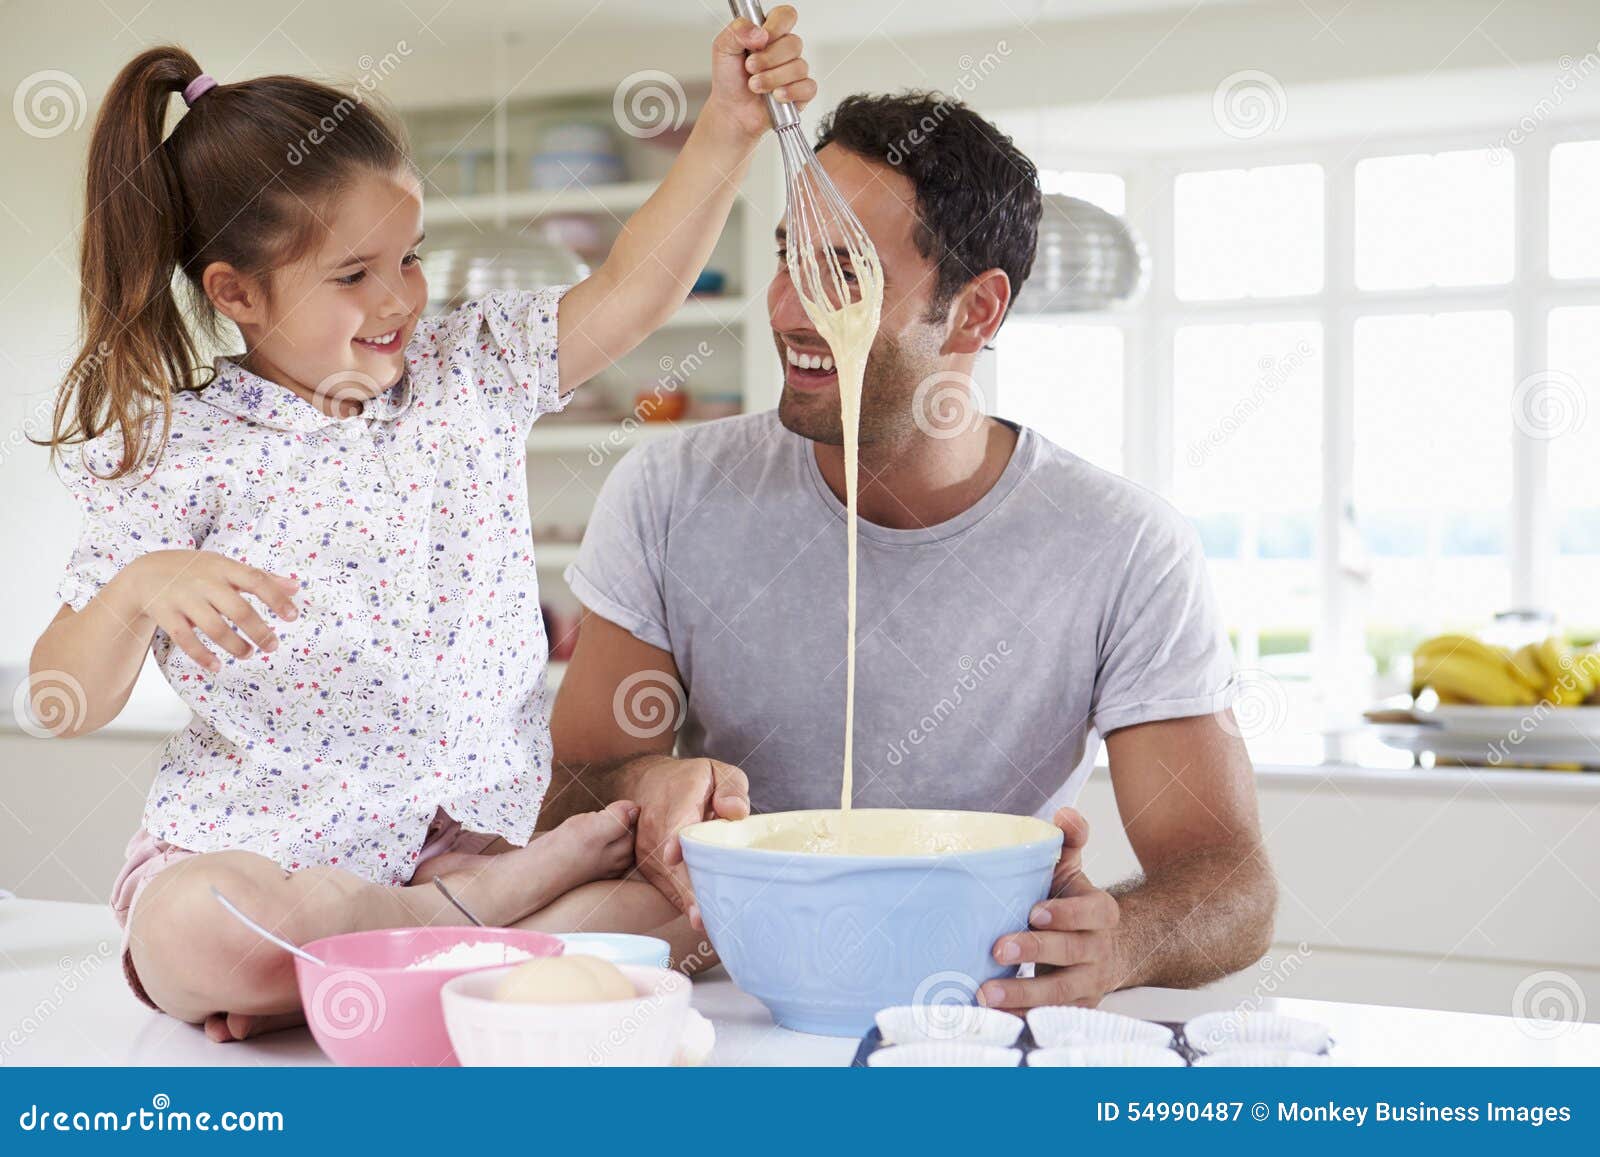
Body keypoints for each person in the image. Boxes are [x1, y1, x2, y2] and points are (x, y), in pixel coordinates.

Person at [25, 11, 815, 1040]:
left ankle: (369, 956)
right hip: (266, 856)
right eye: (354, 274)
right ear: (237, 293)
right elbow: (64, 699)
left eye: (411, 255)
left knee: (692, 902)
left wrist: (729, 125)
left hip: (465, 842)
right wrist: (137, 590)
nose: (401, 295)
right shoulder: (179, 447)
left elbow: (633, 288)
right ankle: (440, 943)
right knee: (194, 930)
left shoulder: (465, 370)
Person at [540, 92, 1277, 1012]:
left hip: (972, 1022)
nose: (788, 308)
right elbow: (568, 793)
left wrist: (1128, 937)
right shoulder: (670, 493)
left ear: (975, 311)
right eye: (788, 258)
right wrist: (648, 782)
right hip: (726, 1014)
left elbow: (1231, 882)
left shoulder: (1123, 547)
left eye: (843, 272)